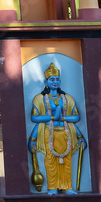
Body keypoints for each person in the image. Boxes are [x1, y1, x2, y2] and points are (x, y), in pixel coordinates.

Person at [29, 62, 83, 194]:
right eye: (52, 79)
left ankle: (68, 187)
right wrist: (33, 139)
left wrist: (80, 137)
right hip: (48, 132)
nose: (55, 82)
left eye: (57, 79)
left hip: (66, 132)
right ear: (46, 81)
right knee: (50, 161)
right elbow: (35, 118)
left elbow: (75, 118)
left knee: (67, 161)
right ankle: (52, 187)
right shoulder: (39, 99)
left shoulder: (68, 99)